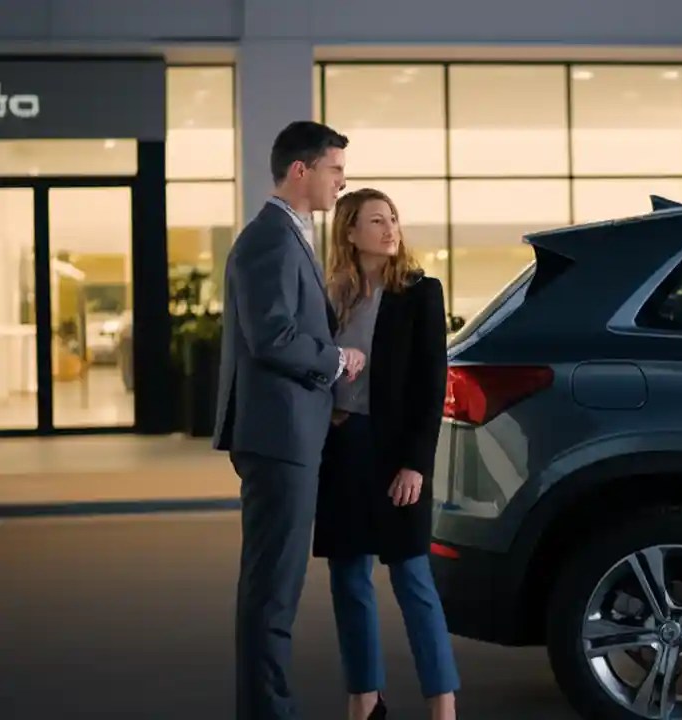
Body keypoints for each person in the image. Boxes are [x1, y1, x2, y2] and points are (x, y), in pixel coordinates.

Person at [213, 120, 364, 719]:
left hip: (289, 434)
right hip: (278, 438)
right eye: (335, 170)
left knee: (276, 587)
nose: (341, 183)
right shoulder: (269, 240)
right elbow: (273, 336)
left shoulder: (289, 236)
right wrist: (335, 359)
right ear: (300, 170)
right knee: (272, 592)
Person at [312, 188, 459, 720]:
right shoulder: (332, 295)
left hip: (398, 452)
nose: (390, 228)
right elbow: (315, 365)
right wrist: (325, 408)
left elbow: (431, 383)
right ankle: (365, 701)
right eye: (377, 220)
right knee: (348, 578)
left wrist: (416, 463)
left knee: (412, 577)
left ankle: (442, 704)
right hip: (344, 448)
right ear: (350, 232)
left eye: (393, 218)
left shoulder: (421, 292)